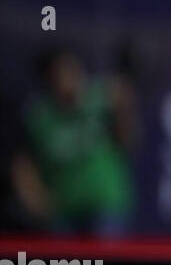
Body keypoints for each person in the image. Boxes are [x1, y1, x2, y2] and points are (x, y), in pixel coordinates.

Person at [12, 45, 136, 236]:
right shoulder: (39, 115)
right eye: (62, 73)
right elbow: (23, 165)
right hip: (62, 210)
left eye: (74, 71)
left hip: (105, 206)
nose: (71, 79)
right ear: (49, 79)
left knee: (106, 264)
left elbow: (128, 141)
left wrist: (123, 107)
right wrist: (37, 200)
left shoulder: (102, 99)